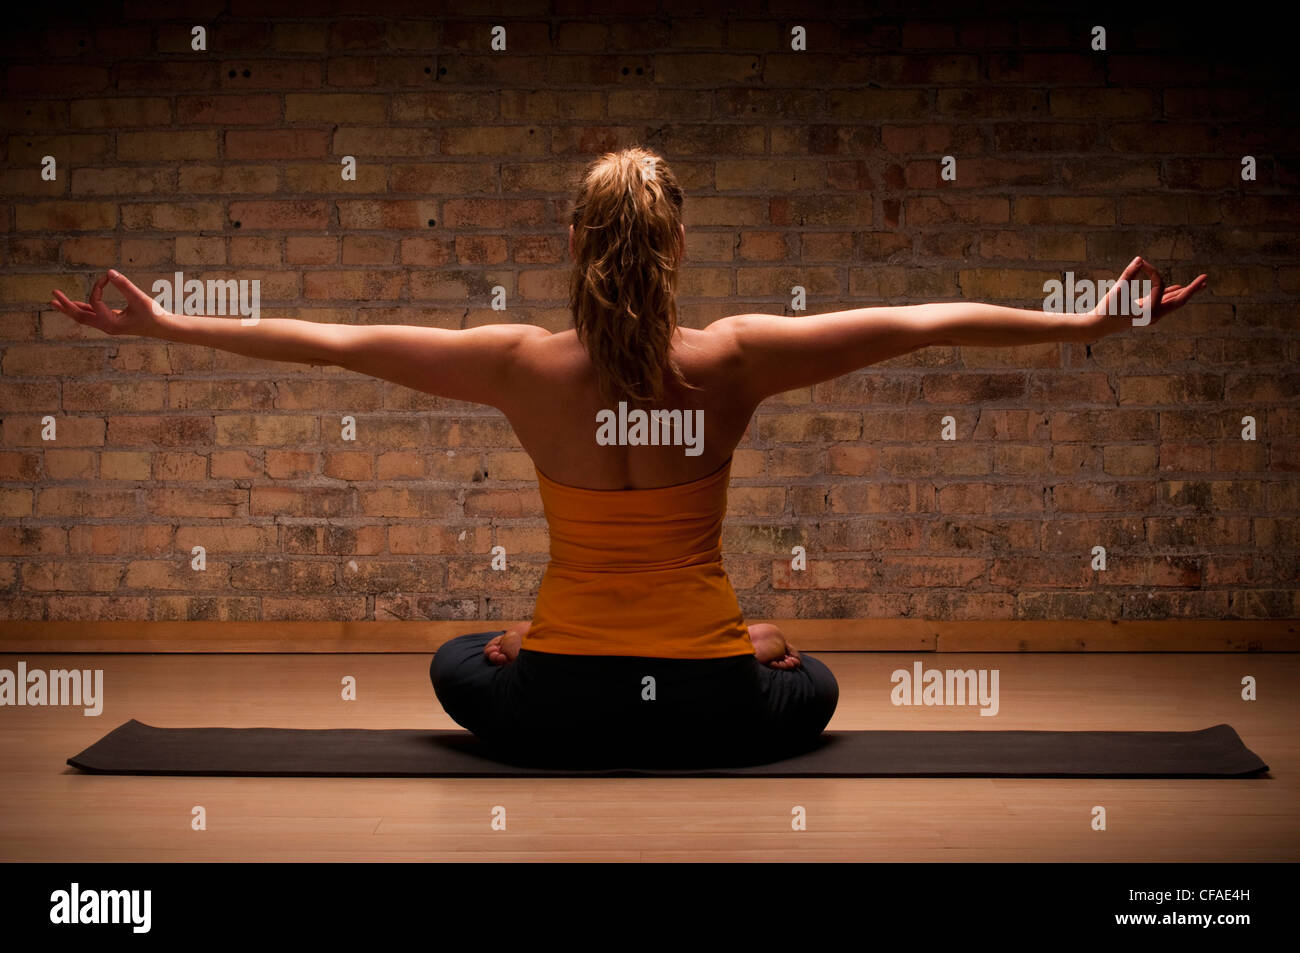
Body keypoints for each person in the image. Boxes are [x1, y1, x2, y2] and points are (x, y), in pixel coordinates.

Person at [50, 145, 1207, 768]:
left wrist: (171, 325)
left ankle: (539, 638)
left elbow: (337, 344)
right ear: (680, 242)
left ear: (571, 241)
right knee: (816, 678)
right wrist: (1087, 323)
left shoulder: (516, 365)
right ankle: (736, 643)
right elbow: (924, 319)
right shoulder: (739, 359)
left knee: (459, 657)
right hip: (717, 709)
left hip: (554, 706)